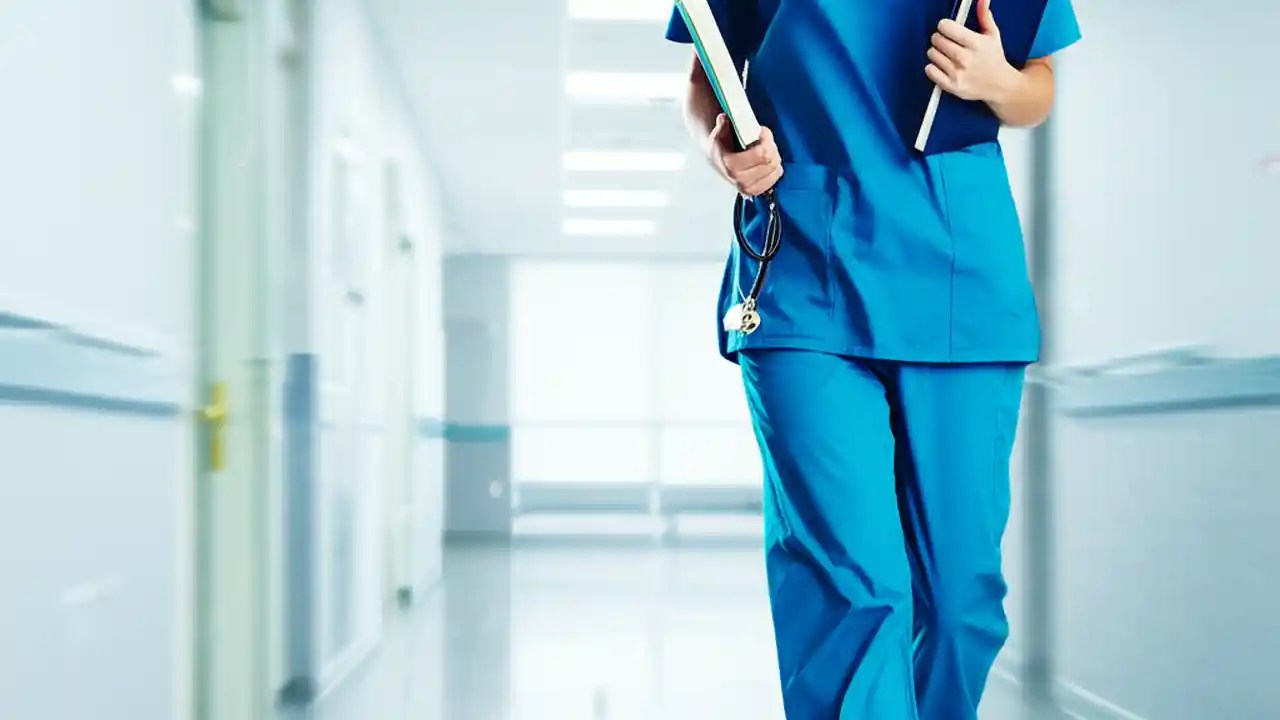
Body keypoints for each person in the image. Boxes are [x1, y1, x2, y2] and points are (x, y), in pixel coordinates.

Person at [665, 0, 1081, 717]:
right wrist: (719, 148)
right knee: (852, 592)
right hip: (803, 263)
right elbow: (704, 77)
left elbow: (1037, 83)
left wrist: (996, 81)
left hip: (959, 273)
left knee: (960, 606)